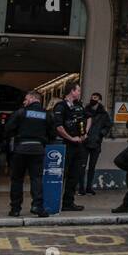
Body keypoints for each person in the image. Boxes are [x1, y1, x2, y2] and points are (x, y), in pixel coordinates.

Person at [4, 90, 54, 218]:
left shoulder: (21, 112)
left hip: (21, 149)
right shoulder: (47, 114)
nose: (24, 102)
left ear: (32, 98)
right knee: (36, 178)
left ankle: (15, 209)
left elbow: (8, 129)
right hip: (38, 149)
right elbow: (52, 134)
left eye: (26, 99)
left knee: (17, 179)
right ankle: (37, 206)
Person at [51, 82, 87, 211]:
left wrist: (84, 134)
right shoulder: (60, 106)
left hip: (78, 145)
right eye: (78, 90)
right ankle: (53, 202)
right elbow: (59, 127)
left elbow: (85, 119)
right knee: (61, 174)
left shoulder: (78, 106)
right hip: (65, 145)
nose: (79, 92)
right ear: (72, 91)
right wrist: (71, 138)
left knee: (75, 175)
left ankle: (68, 202)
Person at [80, 92, 111, 195]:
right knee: (82, 166)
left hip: (96, 143)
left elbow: (108, 126)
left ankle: (89, 187)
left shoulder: (104, 114)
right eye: (92, 97)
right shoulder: (85, 111)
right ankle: (81, 188)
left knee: (92, 167)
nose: (93, 99)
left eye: (96, 98)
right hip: (85, 142)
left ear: (100, 100)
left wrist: (101, 134)